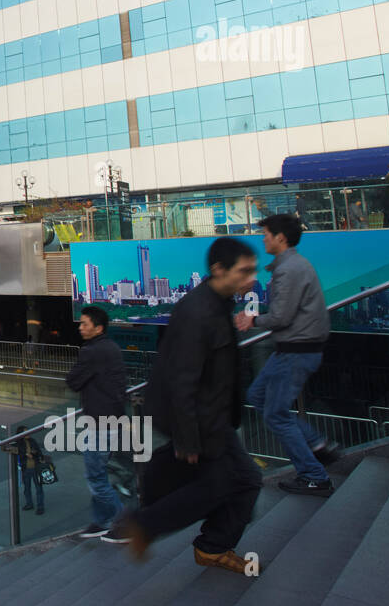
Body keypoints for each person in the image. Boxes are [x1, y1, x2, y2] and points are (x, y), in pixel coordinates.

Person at [102, 237, 263, 576]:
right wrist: (188, 436)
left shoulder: (217, 303)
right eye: (244, 271)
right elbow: (182, 379)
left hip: (213, 416)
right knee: (226, 483)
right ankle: (149, 526)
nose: (251, 278)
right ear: (219, 270)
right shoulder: (199, 311)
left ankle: (209, 544)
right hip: (201, 419)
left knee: (240, 480)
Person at [236, 214, 338, 496]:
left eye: (266, 233)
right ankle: (317, 444)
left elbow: (281, 317)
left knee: (276, 414)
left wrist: (251, 320)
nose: (263, 238)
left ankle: (315, 475)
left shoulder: (289, 269)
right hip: (288, 350)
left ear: (280, 237)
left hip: (296, 351)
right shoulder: (290, 266)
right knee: (257, 395)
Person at [66, 304, 128, 539]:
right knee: (98, 472)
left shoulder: (91, 352)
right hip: (112, 419)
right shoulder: (111, 347)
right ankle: (101, 521)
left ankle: (125, 523)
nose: (80, 327)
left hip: (100, 423)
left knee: (95, 477)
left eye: (84, 324)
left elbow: (72, 381)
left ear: (98, 327)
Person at [16, 430, 47, 514]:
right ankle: (29, 504)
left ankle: (40, 506)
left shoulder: (32, 441)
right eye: (26, 432)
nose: (28, 433)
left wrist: (34, 454)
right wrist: (26, 454)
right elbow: (17, 453)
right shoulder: (19, 443)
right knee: (27, 488)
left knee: (38, 488)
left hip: (35, 468)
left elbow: (39, 453)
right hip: (26, 468)